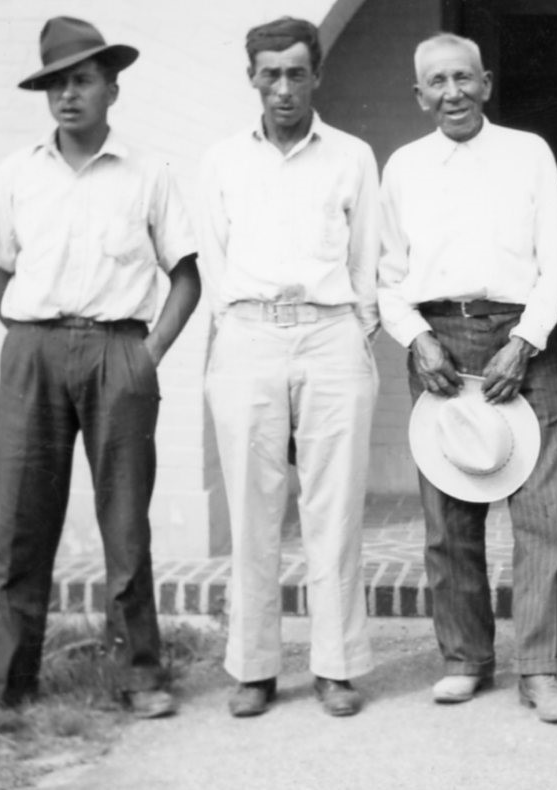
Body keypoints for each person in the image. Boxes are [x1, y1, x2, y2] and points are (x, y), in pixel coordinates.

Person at [0, 16, 199, 717]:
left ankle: (140, 674)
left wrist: (146, 354)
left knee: (125, 523)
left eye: (81, 80)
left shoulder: (148, 173)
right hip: (34, 350)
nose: (66, 96)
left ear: (112, 87)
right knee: (22, 525)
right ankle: (11, 683)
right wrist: (32, 339)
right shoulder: (17, 173)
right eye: (54, 84)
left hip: (118, 353)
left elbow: (186, 278)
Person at [377, 32, 557, 723]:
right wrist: (416, 339)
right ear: (419, 94)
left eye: (463, 78)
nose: (452, 93)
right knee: (448, 517)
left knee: (544, 513)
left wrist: (525, 340)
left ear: (486, 82)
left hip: (525, 337)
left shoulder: (528, 152)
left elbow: (555, 260)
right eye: (436, 82)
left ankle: (543, 670)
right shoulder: (402, 166)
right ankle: (464, 657)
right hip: (437, 339)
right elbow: (385, 274)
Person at [197, 16, 379, 719]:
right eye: (268, 74)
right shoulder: (220, 161)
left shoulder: (352, 156)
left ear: (316, 76)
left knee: (333, 508)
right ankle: (254, 666)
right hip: (247, 335)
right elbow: (213, 260)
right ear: (251, 78)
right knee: (253, 507)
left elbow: (366, 256)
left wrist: (351, 329)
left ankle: (335, 665)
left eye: (295, 73)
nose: (282, 88)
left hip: (330, 333)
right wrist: (239, 326)